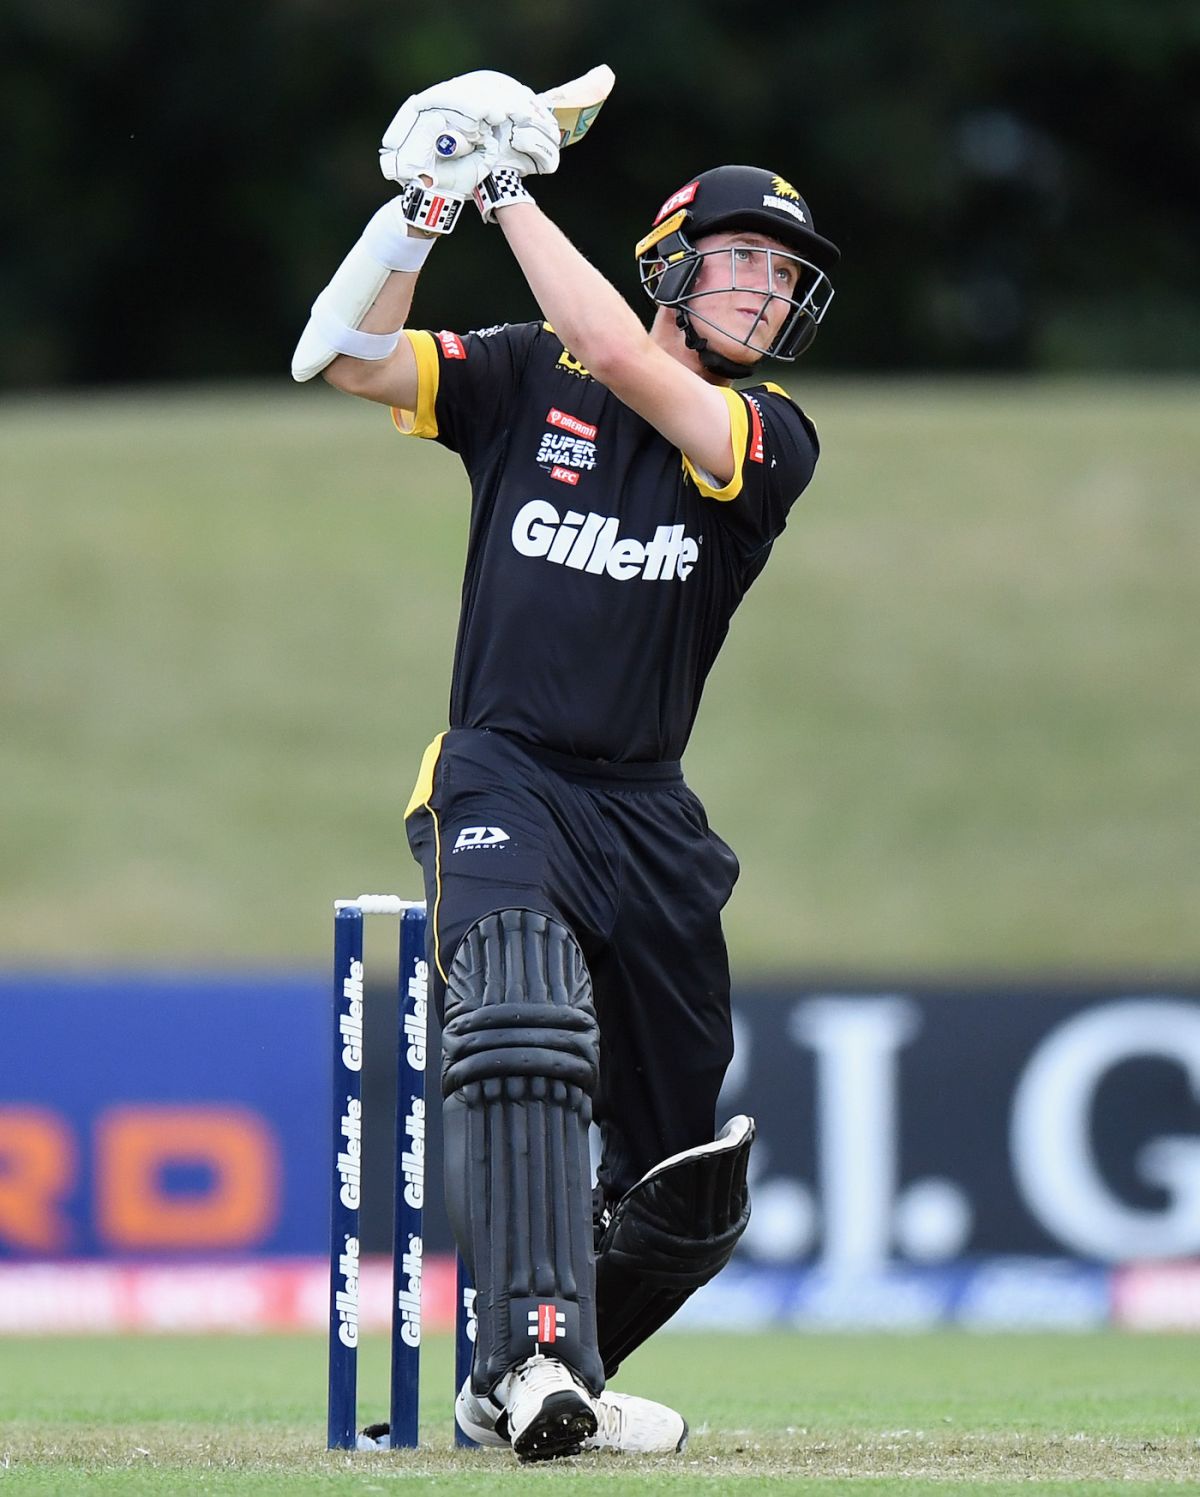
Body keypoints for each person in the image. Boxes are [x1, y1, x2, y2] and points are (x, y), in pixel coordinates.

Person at [293, 69, 839, 1462]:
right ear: (672, 257)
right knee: (529, 1021)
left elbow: (630, 357)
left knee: (686, 1182)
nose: (765, 295)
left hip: (649, 810)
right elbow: (338, 353)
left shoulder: (768, 438)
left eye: (784, 280)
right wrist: (420, 210)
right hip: (504, 774)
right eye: (740, 263)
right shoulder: (528, 376)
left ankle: (539, 1369)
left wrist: (507, 191)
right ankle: (535, 1365)